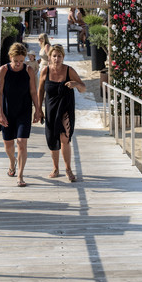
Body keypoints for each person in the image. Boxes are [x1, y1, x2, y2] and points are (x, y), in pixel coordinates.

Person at [38, 43, 86, 182]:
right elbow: (40, 91)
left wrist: (75, 84)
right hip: (50, 109)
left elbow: (83, 88)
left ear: (63, 57)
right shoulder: (45, 71)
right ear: (49, 57)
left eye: (59, 56)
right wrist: (39, 109)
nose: (57, 59)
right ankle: (55, 168)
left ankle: (68, 169)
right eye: (54, 56)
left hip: (65, 109)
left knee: (64, 138)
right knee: (52, 139)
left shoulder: (69, 70)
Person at [0, 42, 41, 187]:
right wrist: (0, 113)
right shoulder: (3, 70)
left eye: (21, 61)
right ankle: (12, 162)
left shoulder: (28, 70)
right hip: (8, 111)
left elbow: (33, 91)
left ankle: (20, 175)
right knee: (8, 145)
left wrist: (38, 110)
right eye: (16, 61)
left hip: (24, 110)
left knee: (21, 142)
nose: (18, 64)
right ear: (10, 57)